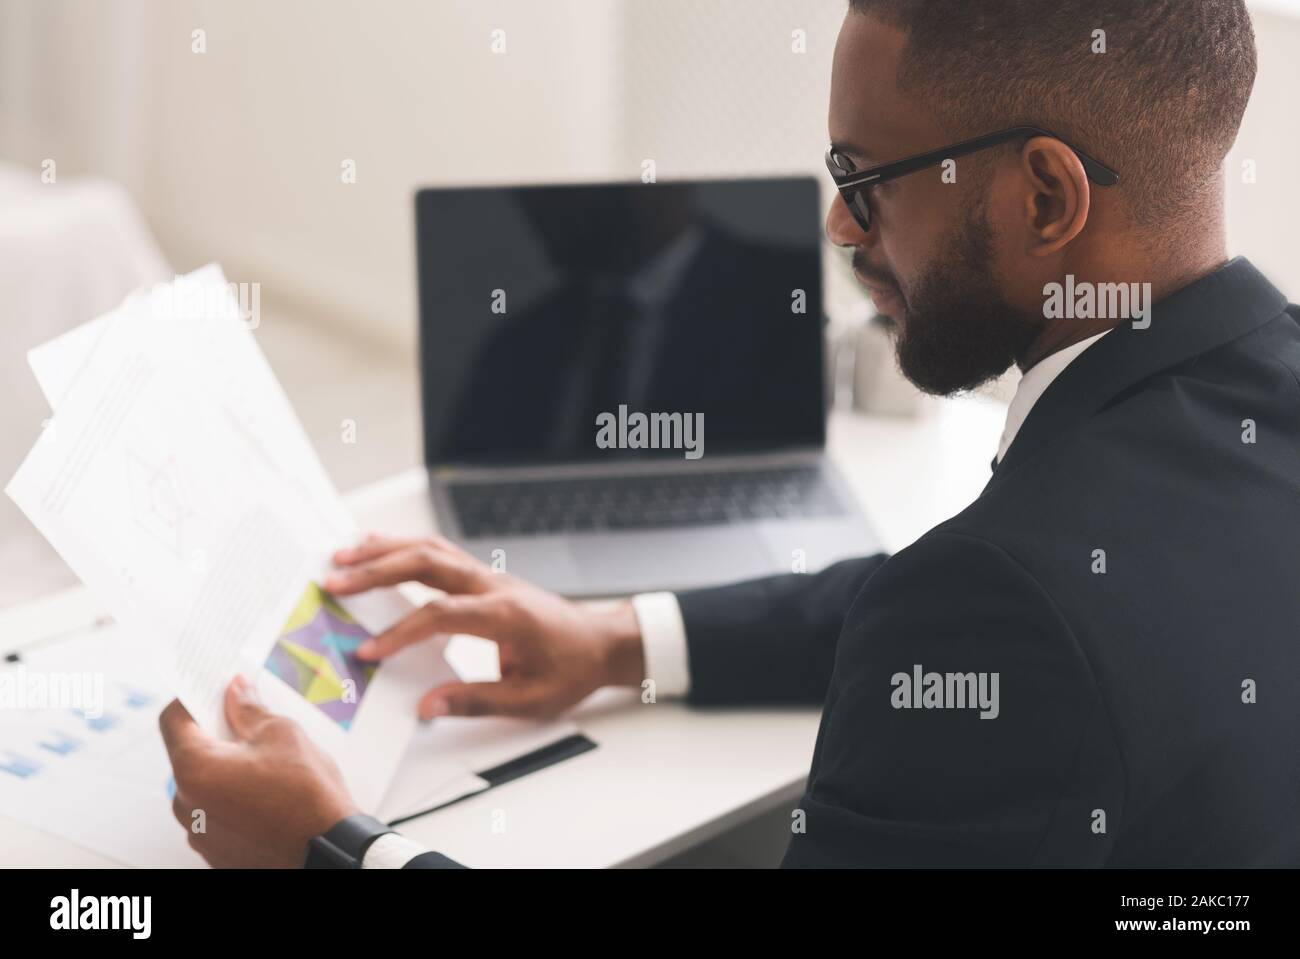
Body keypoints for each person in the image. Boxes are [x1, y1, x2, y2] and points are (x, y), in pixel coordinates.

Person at [160, 0, 1300, 868]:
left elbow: (1003, 619)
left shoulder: (1005, 602)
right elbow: (992, 607)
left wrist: (333, 846)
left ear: (1046, 199)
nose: (837, 221)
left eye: (865, 177)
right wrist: (619, 639)